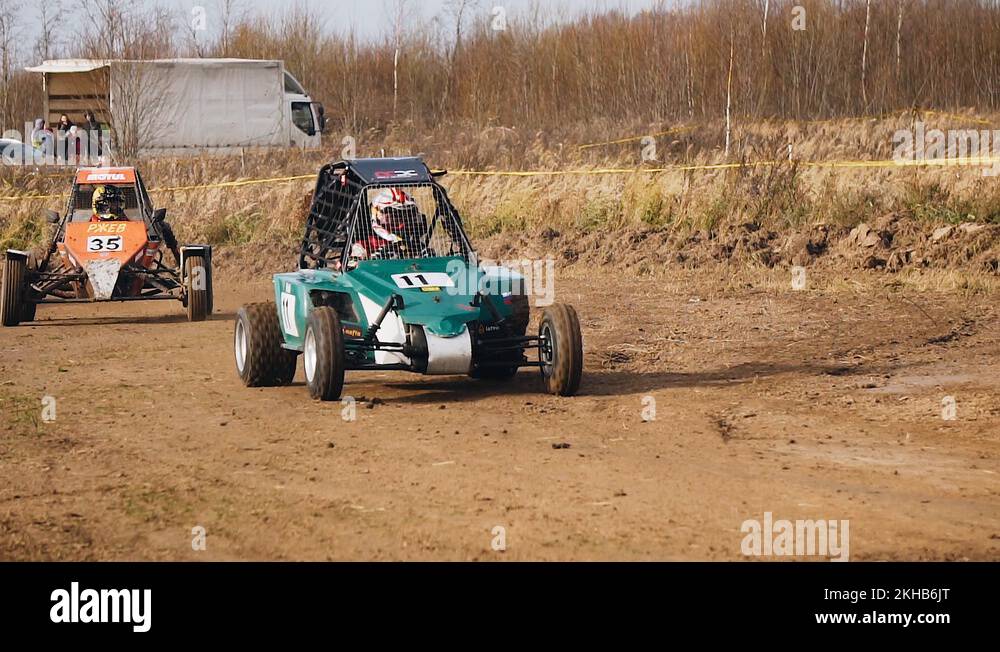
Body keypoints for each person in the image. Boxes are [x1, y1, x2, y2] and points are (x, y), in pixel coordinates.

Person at [350, 188, 429, 261]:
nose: (399, 219)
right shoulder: (364, 244)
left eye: (404, 214)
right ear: (378, 215)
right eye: (394, 214)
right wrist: (374, 258)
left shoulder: (413, 242)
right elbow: (355, 269)